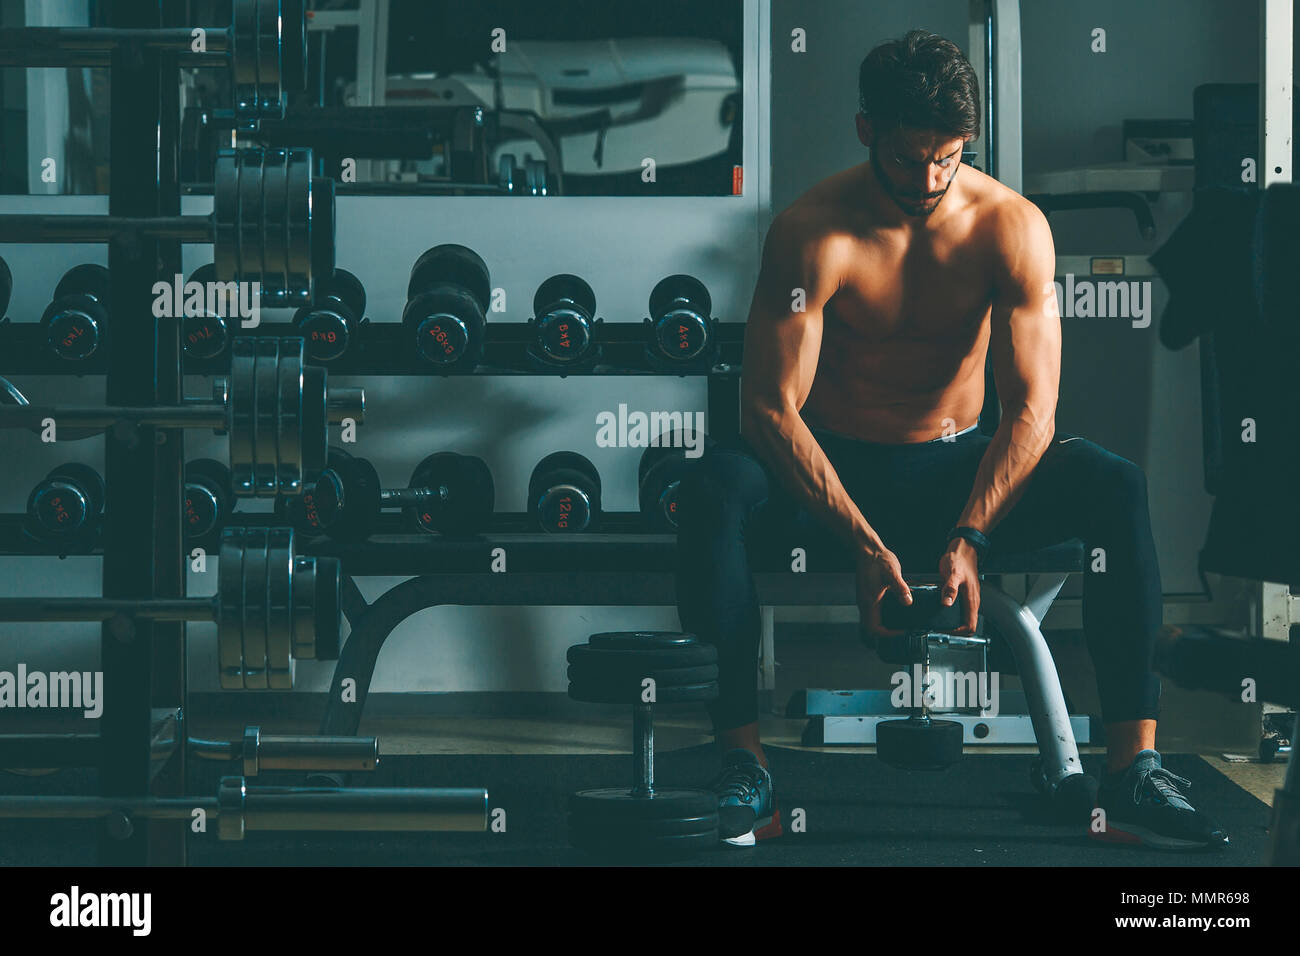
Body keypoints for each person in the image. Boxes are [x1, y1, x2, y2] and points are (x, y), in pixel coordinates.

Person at [676, 30, 1227, 852]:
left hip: (959, 468)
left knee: (1113, 481)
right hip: (832, 472)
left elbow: (1031, 409)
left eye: (949, 158)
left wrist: (971, 533)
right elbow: (769, 411)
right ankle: (743, 767)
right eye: (908, 159)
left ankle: (1132, 769)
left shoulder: (1010, 227)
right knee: (714, 487)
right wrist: (862, 543)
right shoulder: (811, 232)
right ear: (867, 131)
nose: (929, 181)